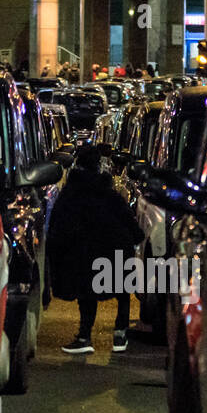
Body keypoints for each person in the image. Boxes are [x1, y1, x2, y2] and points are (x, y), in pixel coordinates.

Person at [47, 146, 144, 353]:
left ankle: (84, 337)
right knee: (122, 290)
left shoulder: (70, 195)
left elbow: (57, 225)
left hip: (84, 254)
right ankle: (120, 334)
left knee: (86, 293)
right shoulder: (108, 193)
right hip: (115, 250)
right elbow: (127, 218)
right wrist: (136, 237)